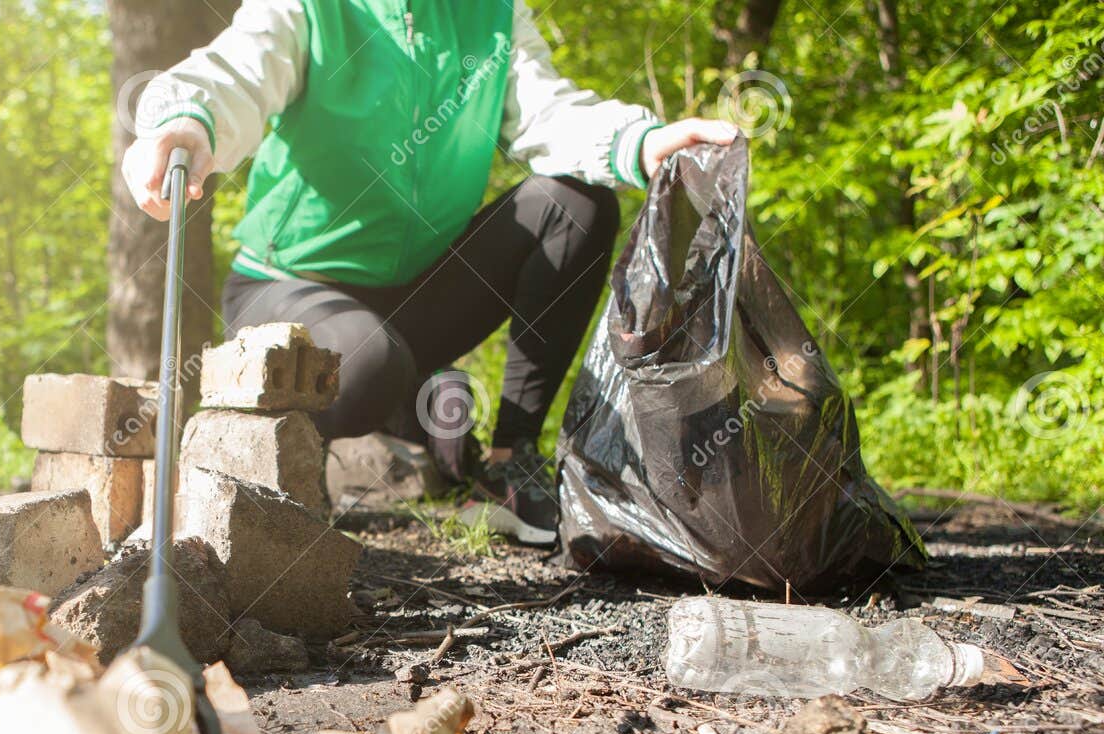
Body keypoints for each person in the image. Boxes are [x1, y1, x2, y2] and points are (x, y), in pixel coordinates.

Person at [124, 0, 739, 542]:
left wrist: (641, 139)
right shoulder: (308, 8)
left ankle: (505, 463)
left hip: (419, 292)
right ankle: (288, 451)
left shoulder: (492, 13)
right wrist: (186, 119)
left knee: (576, 204)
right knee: (367, 364)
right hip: (290, 287)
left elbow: (547, 111)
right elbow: (236, 73)